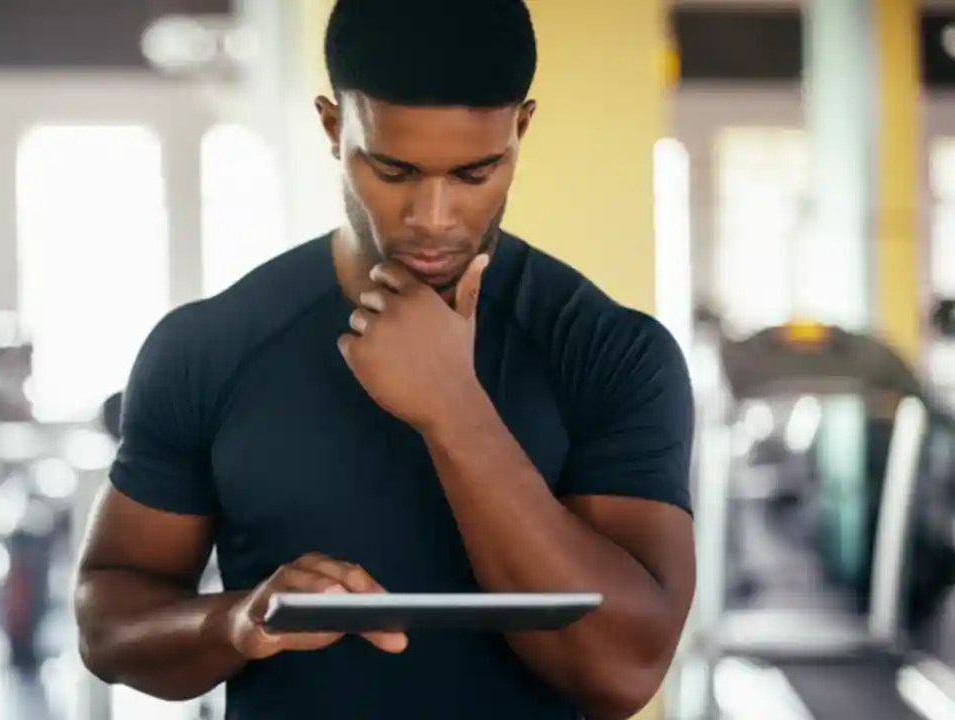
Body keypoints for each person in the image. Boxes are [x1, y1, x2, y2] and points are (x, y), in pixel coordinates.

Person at [74, 1, 696, 718]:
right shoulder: (210, 347)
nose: (433, 216)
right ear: (334, 127)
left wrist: (453, 411)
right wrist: (234, 622)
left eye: (476, 172)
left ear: (520, 129)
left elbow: (622, 673)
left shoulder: (611, 353)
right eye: (393, 170)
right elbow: (108, 621)